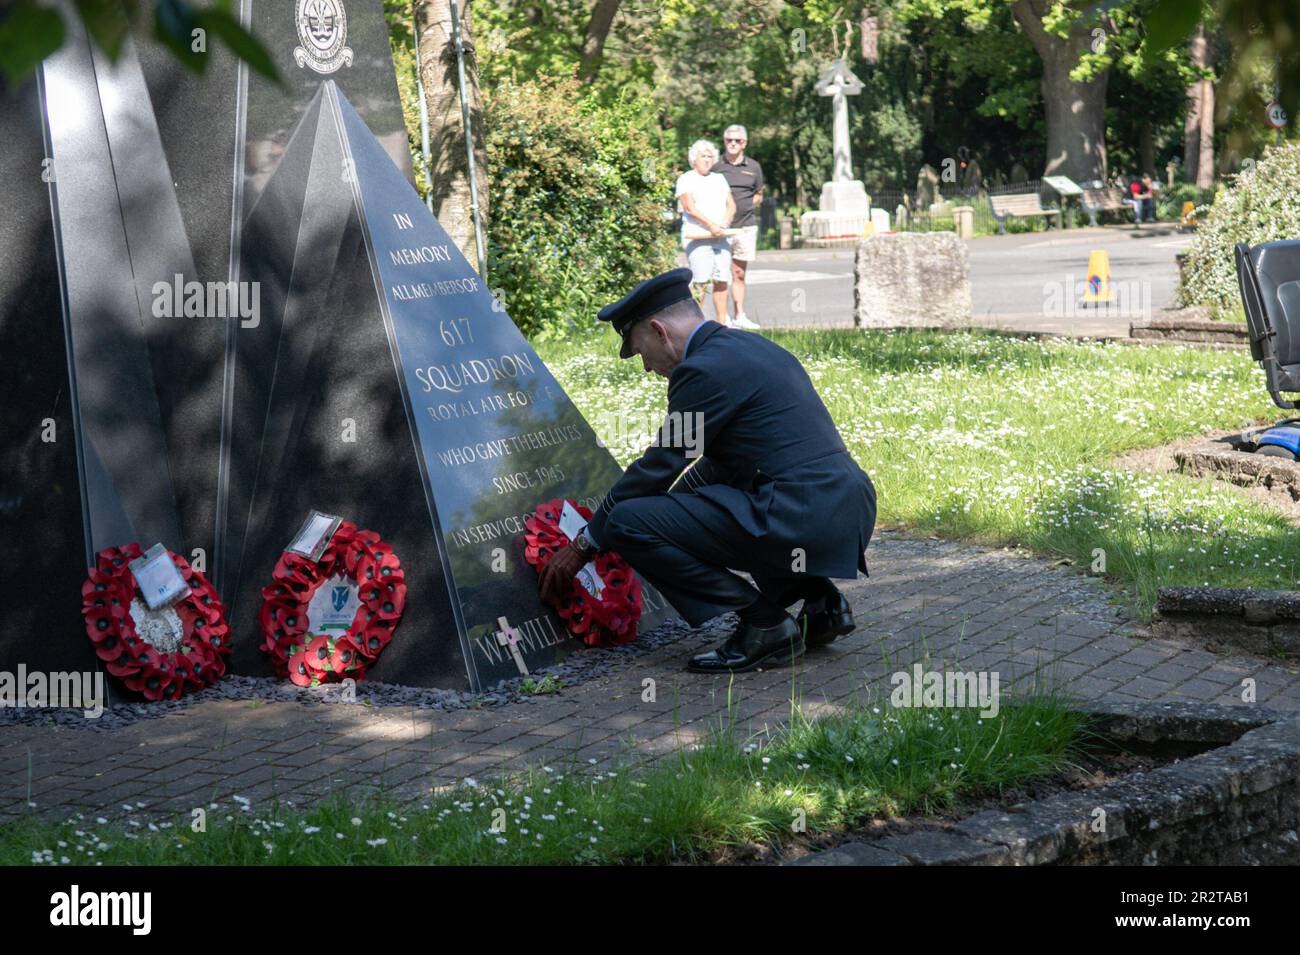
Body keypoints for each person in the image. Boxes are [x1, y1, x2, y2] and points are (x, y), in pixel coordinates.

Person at [538, 268, 878, 673]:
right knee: (714, 507)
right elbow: (720, 463)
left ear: (658, 330)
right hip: (843, 507)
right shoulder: (749, 348)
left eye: (640, 350)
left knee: (629, 522)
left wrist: (585, 543)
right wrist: (673, 515)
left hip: (800, 513)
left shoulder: (702, 370)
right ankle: (823, 602)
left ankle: (765, 625)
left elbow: (660, 465)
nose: (647, 367)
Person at [675, 140, 735, 325]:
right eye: (703, 156)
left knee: (722, 278)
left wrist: (724, 223)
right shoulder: (686, 179)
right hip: (698, 236)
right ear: (694, 159)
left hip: (721, 236)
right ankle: (697, 324)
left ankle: (722, 322)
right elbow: (689, 208)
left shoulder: (719, 178)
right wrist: (711, 226)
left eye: (710, 156)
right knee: (701, 281)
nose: (707, 160)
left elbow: (731, 204)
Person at [711, 124, 764, 331]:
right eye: (729, 140)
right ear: (724, 142)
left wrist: (751, 205)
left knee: (739, 273)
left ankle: (740, 314)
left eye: (737, 141)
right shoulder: (716, 167)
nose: (733, 144)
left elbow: (759, 192)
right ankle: (722, 319)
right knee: (720, 274)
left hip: (746, 227)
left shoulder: (754, 167)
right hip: (721, 228)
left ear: (745, 143)